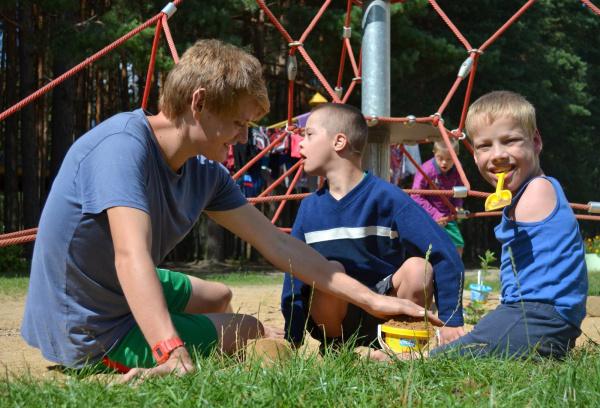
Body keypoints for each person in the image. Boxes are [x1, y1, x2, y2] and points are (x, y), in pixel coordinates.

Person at [21, 39, 437, 381]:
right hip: (89, 324)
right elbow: (130, 255)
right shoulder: (122, 148)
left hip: (109, 283)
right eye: (239, 124)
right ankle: (190, 344)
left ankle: (205, 341)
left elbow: (276, 242)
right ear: (199, 103)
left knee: (219, 294)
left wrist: (372, 301)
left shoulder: (205, 173)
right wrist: (172, 351)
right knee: (248, 328)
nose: (242, 138)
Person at [281, 103, 464, 352]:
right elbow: (293, 271)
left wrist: (451, 320)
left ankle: (401, 349)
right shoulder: (309, 209)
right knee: (329, 270)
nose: (300, 143)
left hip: (388, 310)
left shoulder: (388, 198)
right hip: (335, 317)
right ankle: (338, 350)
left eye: (309, 134)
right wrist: (292, 335)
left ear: (339, 142)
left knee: (417, 268)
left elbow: (443, 250)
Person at [431, 91, 588, 358]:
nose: (497, 155)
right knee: (484, 335)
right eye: (484, 146)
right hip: (548, 319)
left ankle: (411, 360)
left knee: (462, 351)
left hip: (538, 315)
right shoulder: (533, 189)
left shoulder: (536, 190)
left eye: (510, 140)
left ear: (536, 141)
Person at [411, 139, 465, 256]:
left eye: (449, 159)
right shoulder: (426, 170)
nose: (444, 162)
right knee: (427, 247)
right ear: (434, 153)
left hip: (447, 217)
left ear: (456, 157)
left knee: (458, 246)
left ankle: (456, 271)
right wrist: (435, 214)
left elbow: (459, 190)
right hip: (427, 216)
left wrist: (458, 207)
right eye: (440, 158)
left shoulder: (457, 169)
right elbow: (415, 195)